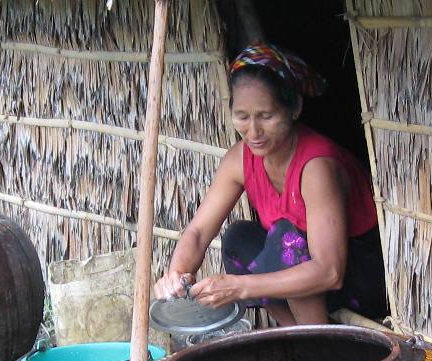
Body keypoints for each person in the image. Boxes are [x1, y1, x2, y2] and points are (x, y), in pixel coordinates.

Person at [154, 43, 387, 326]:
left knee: (284, 238)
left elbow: (330, 272)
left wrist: (238, 287)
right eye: (242, 116)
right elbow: (199, 232)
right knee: (239, 238)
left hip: (360, 280)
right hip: (302, 275)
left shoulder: (317, 165)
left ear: (295, 108)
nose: (253, 132)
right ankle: (292, 335)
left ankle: (320, 345)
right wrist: (176, 274)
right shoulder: (240, 159)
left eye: (266, 116)